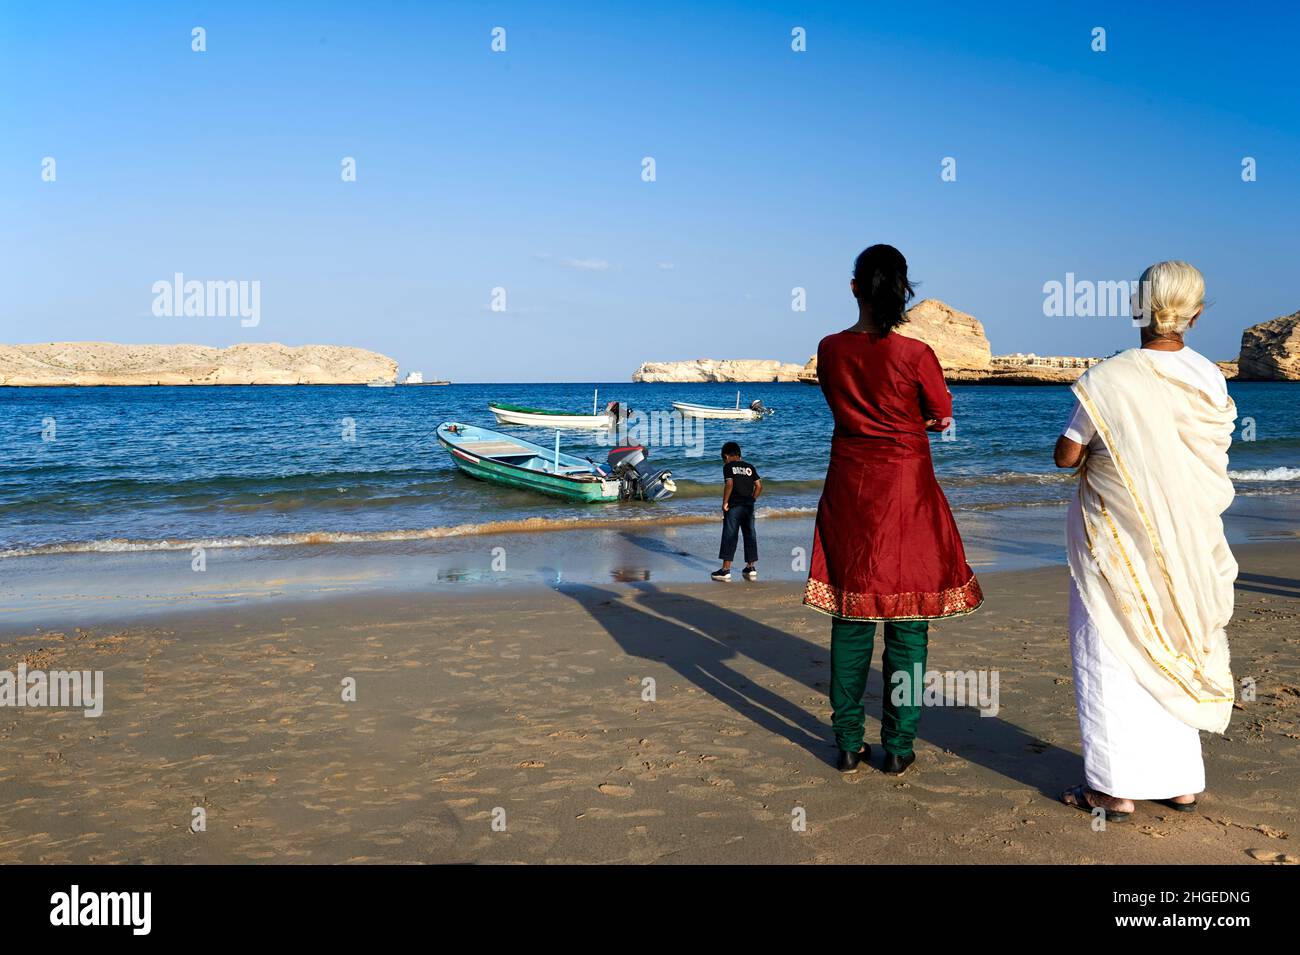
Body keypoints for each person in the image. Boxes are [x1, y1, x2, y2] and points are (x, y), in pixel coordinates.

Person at [1054, 260, 1236, 822]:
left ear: (1138, 307)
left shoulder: (1111, 379)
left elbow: (1067, 454)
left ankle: (1114, 789)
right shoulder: (1210, 376)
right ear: (1196, 315)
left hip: (1117, 541)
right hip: (1188, 540)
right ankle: (1180, 781)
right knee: (1176, 641)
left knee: (1108, 650)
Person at [804, 244, 982, 775]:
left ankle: (847, 741)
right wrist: (912, 422)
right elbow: (942, 413)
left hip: (851, 488)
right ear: (903, 291)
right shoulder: (916, 355)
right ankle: (900, 746)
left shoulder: (830, 349)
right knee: (908, 620)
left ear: (854, 286)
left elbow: (841, 402)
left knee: (851, 613)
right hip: (905, 489)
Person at [711, 441, 762, 581]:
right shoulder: (750, 467)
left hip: (734, 506)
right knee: (750, 534)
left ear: (726, 456)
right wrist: (752, 499)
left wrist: (725, 502)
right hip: (748, 506)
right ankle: (750, 567)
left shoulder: (728, 466)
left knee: (730, 535)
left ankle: (725, 570)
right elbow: (758, 485)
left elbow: (729, 483)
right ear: (740, 455)